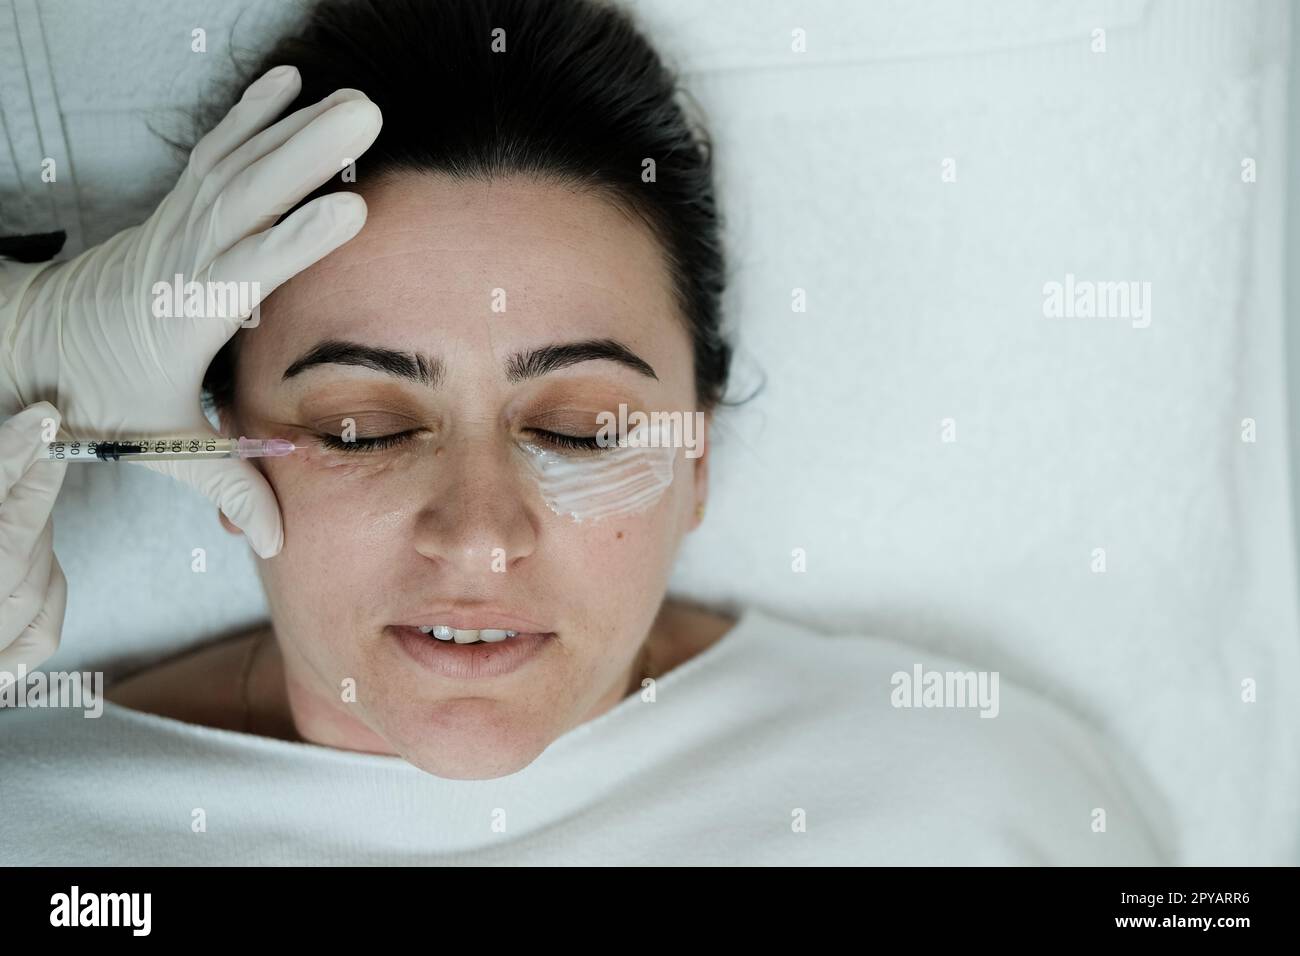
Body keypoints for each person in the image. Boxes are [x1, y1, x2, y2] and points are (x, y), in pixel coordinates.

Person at [0, 0, 1170, 864]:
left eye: (580, 427)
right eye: (361, 427)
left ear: (696, 459)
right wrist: (22, 349)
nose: (477, 535)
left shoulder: (969, 801)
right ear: (207, 441)